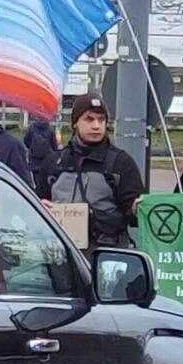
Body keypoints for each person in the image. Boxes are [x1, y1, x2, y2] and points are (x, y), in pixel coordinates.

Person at [40, 93, 143, 249]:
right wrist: (41, 206)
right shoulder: (54, 162)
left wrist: (137, 210)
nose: (96, 126)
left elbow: (136, 216)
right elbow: (38, 201)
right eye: (89, 119)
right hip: (61, 253)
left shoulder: (121, 163)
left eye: (101, 120)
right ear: (75, 123)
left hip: (107, 254)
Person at [25, 116, 60, 184]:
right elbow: (54, 146)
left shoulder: (31, 128)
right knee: (44, 183)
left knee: (36, 181)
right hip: (47, 161)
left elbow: (26, 141)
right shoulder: (50, 129)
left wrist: (31, 148)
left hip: (34, 161)